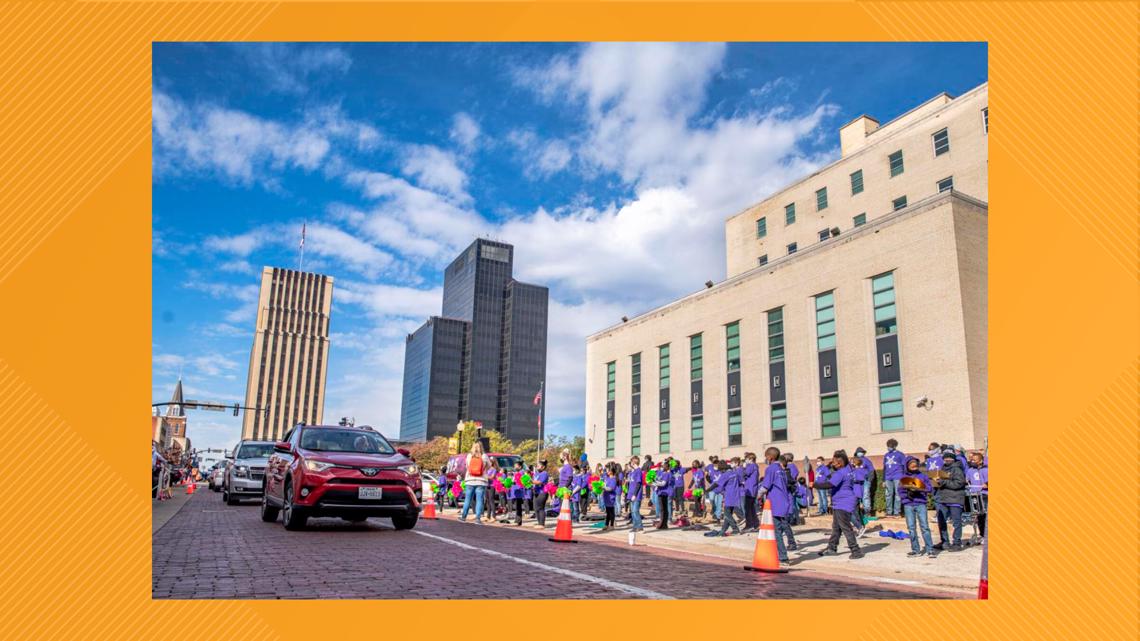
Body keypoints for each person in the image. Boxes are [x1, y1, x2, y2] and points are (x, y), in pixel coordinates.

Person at [812, 450, 864, 558]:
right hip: (841, 502)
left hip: (843, 503)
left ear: (840, 463)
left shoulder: (841, 473)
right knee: (836, 527)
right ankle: (832, 548)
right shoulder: (847, 469)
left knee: (845, 527)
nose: (832, 463)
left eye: (834, 461)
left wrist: (814, 485)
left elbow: (829, 484)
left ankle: (856, 550)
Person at [757, 447, 796, 561]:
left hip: (775, 502)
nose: (766, 459)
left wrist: (757, 496)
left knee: (777, 532)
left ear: (770, 457)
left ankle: (783, 557)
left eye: (766, 457)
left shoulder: (771, 469)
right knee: (783, 526)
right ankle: (789, 546)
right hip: (783, 502)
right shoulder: (781, 469)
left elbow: (765, 486)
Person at [933, 447, 968, 551]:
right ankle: (945, 542)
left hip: (955, 499)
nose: (947, 460)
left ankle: (957, 543)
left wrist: (943, 482)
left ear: (953, 458)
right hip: (943, 499)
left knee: (956, 522)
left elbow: (959, 483)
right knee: (941, 520)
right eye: (945, 458)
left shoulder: (957, 469)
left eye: (949, 458)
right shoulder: (942, 469)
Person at [901, 456, 935, 557]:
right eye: (911, 464)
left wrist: (919, 489)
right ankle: (916, 550)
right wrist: (907, 495)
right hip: (908, 505)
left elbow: (929, 488)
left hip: (920, 503)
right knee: (911, 528)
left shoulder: (922, 476)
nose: (913, 466)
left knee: (924, 527)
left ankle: (930, 550)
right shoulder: (904, 478)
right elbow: (900, 491)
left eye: (915, 464)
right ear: (907, 466)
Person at [706, 458, 744, 537]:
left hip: (729, 496)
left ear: (723, 469)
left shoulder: (725, 475)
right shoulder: (735, 473)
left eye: (720, 470)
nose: (720, 471)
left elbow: (717, 484)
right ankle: (723, 530)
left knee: (727, 514)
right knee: (729, 513)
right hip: (736, 495)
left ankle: (735, 529)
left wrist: (708, 490)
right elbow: (741, 482)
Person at [460, 441, 491, 523]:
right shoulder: (484, 456)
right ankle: (478, 518)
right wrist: (483, 470)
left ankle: (463, 517)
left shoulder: (469, 456)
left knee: (468, 499)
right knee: (479, 500)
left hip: (470, 480)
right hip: (481, 481)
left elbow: (467, 466)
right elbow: (489, 466)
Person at [965, 451, 988, 540]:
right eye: (971, 460)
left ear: (980, 460)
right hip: (974, 495)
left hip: (984, 495)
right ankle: (982, 534)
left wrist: (985, 485)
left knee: (985, 515)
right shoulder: (970, 470)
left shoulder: (985, 470)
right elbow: (967, 480)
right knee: (979, 516)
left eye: (975, 460)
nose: (972, 462)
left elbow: (987, 483)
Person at [882, 439, 907, 517]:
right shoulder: (886, 455)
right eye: (888, 446)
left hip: (898, 476)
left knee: (898, 494)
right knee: (888, 494)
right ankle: (889, 511)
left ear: (895, 446)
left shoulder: (900, 455)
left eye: (891, 446)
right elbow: (884, 468)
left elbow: (904, 466)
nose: (889, 448)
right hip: (888, 477)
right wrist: (883, 480)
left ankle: (897, 512)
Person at [850, 452, 870, 537]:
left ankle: (860, 527)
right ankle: (861, 527)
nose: (850, 463)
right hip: (854, 493)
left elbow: (860, 479)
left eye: (852, 462)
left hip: (856, 493)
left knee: (852, 512)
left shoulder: (859, 471)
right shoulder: (854, 470)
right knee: (856, 512)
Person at [741, 452, 760, 531]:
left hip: (750, 489)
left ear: (751, 459)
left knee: (747, 508)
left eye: (747, 459)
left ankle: (749, 525)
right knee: (752, 508)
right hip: (753, 489)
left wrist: (744, 467)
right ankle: (755, 524)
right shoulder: (755, 466)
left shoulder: (751, 466)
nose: (746, 460)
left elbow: (745, 473)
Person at [852, 447, 875, 515]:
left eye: (861, 452)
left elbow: (871, 470)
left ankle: (867, 512)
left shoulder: (867, 460)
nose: (860, 453)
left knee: (865, 496)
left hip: (865, 481)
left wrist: (869, 480)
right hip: (856, 482)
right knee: (856, 496)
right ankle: (857, 512)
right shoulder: (853, 460)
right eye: (859, 452)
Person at [653, 461, 673, 529]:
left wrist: (655, 483)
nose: (663, 466)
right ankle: (663, 524)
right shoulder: (661, 473)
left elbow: (663, 483)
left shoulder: (667, 474)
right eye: (662, 465)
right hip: (660, 492)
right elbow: (653, 471)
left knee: (663, 509)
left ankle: (663, 524)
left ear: (667, 467)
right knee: (662, 509)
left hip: (664, 492)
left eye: (664, 465)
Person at [627, 456, 644, 532]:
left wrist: (635, 494)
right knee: (633, 512)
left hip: (636, 495)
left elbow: (638, 483)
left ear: (634, 462)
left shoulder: (638, 471)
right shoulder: (632, 471)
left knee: (635, 511)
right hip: (631, 494)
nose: (630, 463)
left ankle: (639, 526)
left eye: (631, 462)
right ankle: (634, 526)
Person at [600, 463, 619, 531]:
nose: (606, 471)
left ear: (611, 471)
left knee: (611, 512)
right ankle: (606, 524)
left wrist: (604, 488)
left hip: (611, 498)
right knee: (607, 512)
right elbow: (604, 485)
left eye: (608, 470)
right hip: (606, 497)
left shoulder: (613, 479)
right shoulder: (607, 478)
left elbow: (611, 488)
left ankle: (612, 525)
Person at [508, 461, 527, 525]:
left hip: (519, 491)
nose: (515, 467)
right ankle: (517, 519)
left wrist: (513, 481)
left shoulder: (522, 473)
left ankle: (518, 520)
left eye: (516, 466)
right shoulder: (516, 473)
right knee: (516, 506)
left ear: (520, 466)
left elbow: (521, 481)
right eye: (514, 466)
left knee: (518, 506)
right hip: (515, 491)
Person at [533, 460, 550, 527]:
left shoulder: (544, 473)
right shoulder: (536, 473)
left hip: (542, 492)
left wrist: (531, 481)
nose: (537, 467)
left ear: (543, 467)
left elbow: (540, 482)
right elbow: (534, 482)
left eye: (538, 465)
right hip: (536, 492)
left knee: (540, 508)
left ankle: (542, 523)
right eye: (537, 465)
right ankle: (539, 522)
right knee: (536, 508)